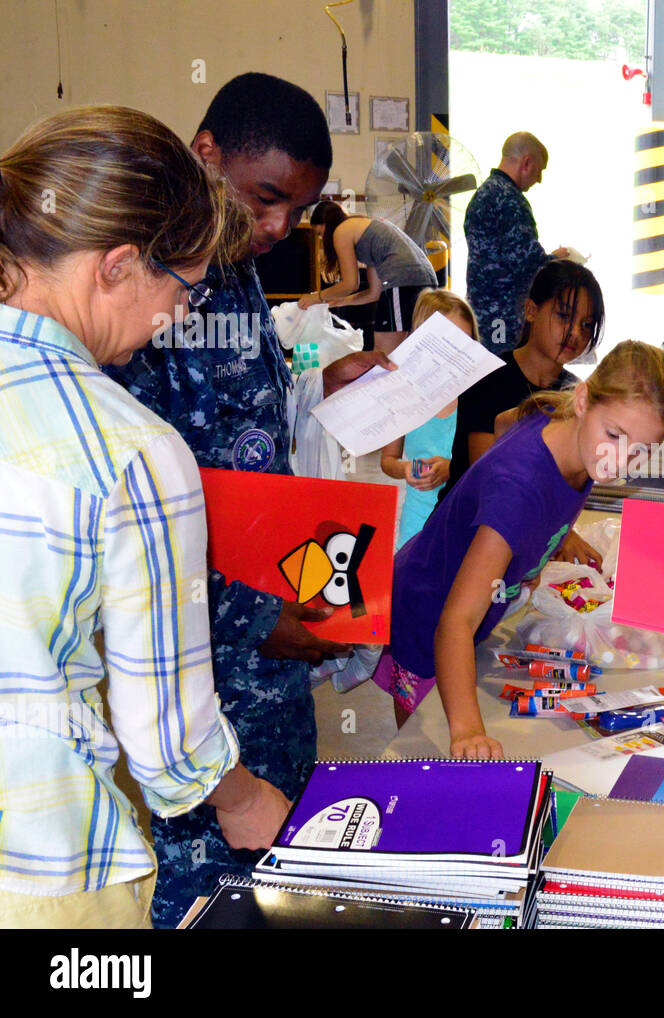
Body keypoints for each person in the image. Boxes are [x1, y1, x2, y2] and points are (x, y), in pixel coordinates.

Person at [105, 73, 391, 929]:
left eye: (295, 211)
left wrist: (319, 384)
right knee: (203, 903)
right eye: (265, 198)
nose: (277, 227)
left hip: (270, 667)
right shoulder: (144, 294)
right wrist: (260, 621)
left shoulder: (231, 275)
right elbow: (146, 525)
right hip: (199, 688)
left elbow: (246, 442)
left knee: (282, 895)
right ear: (205, 155)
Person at [0, 106, 289, 928]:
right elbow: (168, 740)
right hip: (45, 866)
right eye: (185, 289)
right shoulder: (129, 449)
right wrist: (242, 799)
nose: (182, 318)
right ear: (119, 265)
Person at [379, 341, 664, 748]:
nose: (620, 458)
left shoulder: (569, 431)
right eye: (614, 435)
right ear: (582, 400)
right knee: (422, 747)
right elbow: (455, 621)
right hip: (424, 616)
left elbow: (507, 422)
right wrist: (468, 730)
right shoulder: (518, 492)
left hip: (468, 605)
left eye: (641, 449)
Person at [439, 259, 602, 507]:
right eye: (564, 316)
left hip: (531, 525)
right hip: (464, 529)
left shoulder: (575, 394)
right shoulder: (487, 378)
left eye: (586, 324)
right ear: (531, 310)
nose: (576, 333)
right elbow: (489, 484)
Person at [380, 289, 476, 548]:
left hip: (465, 521)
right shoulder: (404, 396)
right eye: (446, 345)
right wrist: (406, 469)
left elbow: (490, 463)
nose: (454, 355)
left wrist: (452, 468)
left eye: (463, 344)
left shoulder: (477, 397)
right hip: (417, 523)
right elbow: (388, 461)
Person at [464, 132, 569, 354]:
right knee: (502, 371)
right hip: (502, 314)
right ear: (527, 163)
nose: (538, 179)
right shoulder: (510, 201)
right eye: (538, 171)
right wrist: (558, 258)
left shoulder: (482, 194)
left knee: (485, 368)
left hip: (480, 310)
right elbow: (528, 263)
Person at [303, 201, 440, 355]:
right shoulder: (366, 230)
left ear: (326, 224)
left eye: (320, 234)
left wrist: (317, 297)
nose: (322, 239)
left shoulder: (341, 231)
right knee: (410, 352)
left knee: (384, 355)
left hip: (403, 280)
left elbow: (350, 284)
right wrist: (341, 301)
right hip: (425, 279)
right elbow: (374, 293)